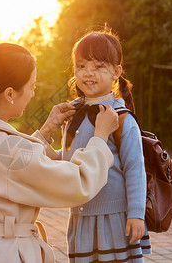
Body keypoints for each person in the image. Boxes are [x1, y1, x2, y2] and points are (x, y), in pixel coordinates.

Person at [0, 42, 119, 263]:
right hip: (3, 253)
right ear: (9, 94)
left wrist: (45, 131)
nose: (33, 93)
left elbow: (8, 168)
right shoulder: (8, 149)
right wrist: (100, 138)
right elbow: (78, 182)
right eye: (32, 86)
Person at [40, 29, 152, 262]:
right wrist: (47, 146)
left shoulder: (121, 118)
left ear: (116, 72)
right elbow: (73, 159)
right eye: (81, 66)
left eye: (99, 66)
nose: (88, 73)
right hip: (81, 217)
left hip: (115, 219)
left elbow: (135, 169)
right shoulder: (72, 114)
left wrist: (136, 214)